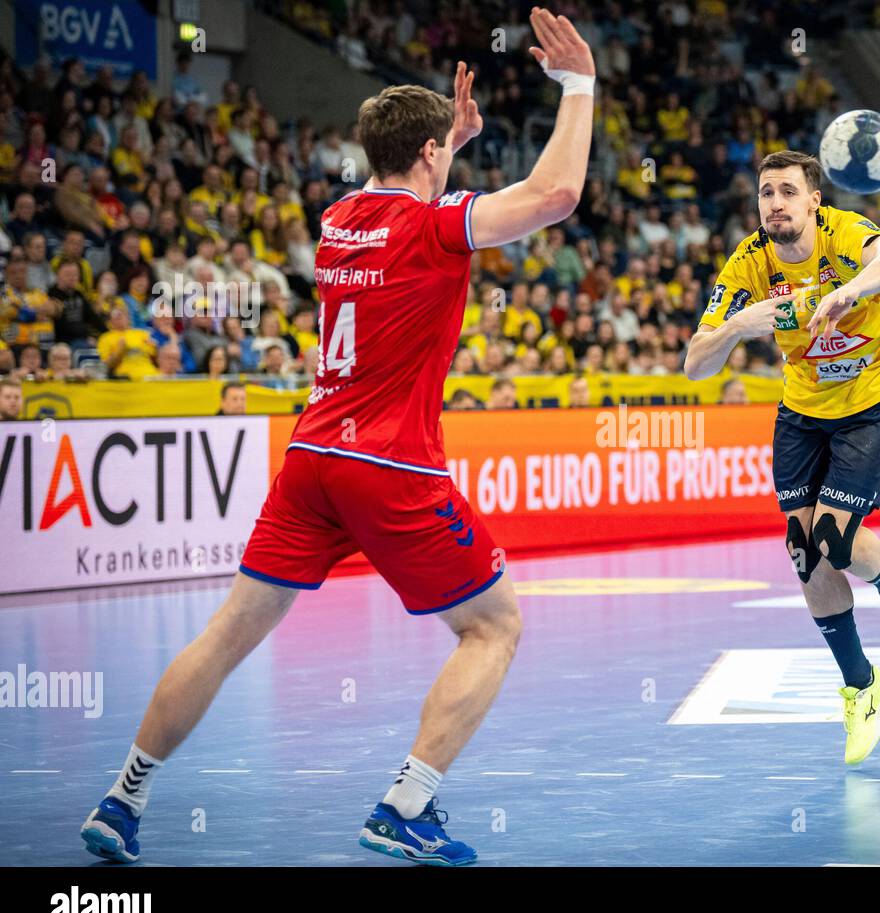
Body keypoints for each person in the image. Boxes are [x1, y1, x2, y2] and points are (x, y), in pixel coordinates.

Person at [81, 9, 595, 868]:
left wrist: (446, 145)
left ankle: (121, 800)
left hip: (312, 456)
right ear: (430, 156)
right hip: (389, 464)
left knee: (226, 633)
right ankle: (405, 804)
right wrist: (578, 86)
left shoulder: (338, 218)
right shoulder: (433, 226)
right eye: (440, 151)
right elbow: (556, 196)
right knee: (494, 627)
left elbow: (401, 201)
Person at [683, 149, 880, 766]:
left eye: (788, 192)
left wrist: (846, 292)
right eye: (767, 193)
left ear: (814, 201)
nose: (776, 204)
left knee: (835, 538)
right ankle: (863, 685)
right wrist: (740, 325)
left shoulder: (845, 235)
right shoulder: (748, 264)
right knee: (804, 551)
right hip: (804, 410)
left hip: (876, 397)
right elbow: (695, 365)